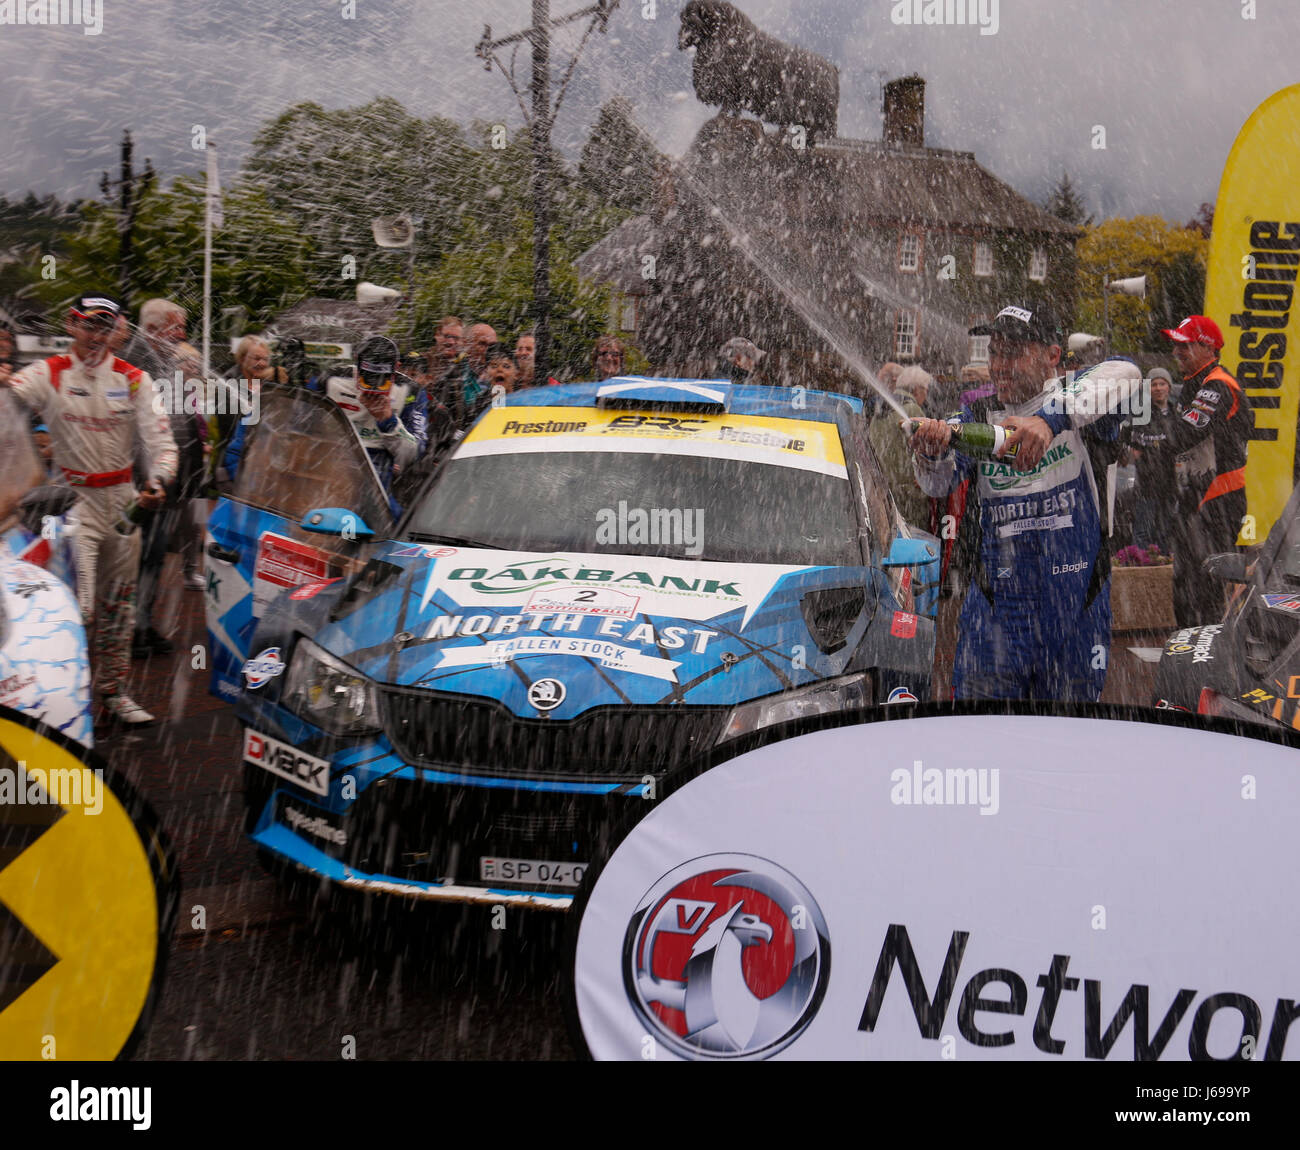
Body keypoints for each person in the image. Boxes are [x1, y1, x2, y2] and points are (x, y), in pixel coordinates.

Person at [909, 303, 1140, 702]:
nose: (1000, 365)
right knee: (982, 735)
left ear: (1052, 356)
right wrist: (930, 452)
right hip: (999, 610)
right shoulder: (977, 414)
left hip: (1075, 604)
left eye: (1014, 353)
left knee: (1066, 740)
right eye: (994, 352)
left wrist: (1050, 420)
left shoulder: (1077, 404)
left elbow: (1128, 372)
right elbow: (937, 483)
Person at [7, 294, 177, 726]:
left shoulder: (135, 378)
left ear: (118, 329)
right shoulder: (48, 372)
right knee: (75, 608)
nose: (97, 336)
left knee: (119, 605)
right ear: (72, 325)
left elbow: (163, 446)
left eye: (106, 327)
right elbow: (8, 404)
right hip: (70, 503)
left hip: (123, 500)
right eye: (89, 326)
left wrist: (158, 481)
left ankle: (113, 693)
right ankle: (66, 698)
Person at [1159, 315, 1253, 626]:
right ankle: (1186, 654)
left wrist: (1145, 435)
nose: (1176, 352)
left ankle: (1210, 660)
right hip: (1195, 500)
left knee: (1205, 588)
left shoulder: (1218, 384)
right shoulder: (1193, 384)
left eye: (1184, 345)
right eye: (1175, 345)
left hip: (1218, 501)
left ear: (1207, 348)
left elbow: (1181, 436)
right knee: (1185, 587)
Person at [319, 336, 428, 504]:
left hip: (378, 472)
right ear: (357, 363)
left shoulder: (410, 392)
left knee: (394, 521)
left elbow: (413, 453)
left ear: (396, 369)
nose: (373, 387)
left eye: (381, 378)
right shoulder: (329, 379)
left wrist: (388, 421)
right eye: (368, 376)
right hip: (331, 462)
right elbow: (298, 426)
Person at [1120, 367, 1178, 553]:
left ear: (1169, 387)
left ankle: (1164, 569)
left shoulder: (1178, 415)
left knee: (1166, 531)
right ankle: (1140, 569)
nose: (1158, 388)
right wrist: (1132, 453)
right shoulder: (1140, 414)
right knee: (1143, 531)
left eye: (1162, 383)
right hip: (1146, 485)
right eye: (1154, 384)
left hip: (1171, 485)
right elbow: (1124, 442)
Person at [869, 364, 930, 527]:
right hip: (908, 495)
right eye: (926, 389)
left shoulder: (880, 409)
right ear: (917, 389)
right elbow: (927, 452)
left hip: (883, 490)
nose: (926, 395)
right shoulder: (913, 410)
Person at [214, 335, 275, 487]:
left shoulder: (267, 384)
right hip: (233, 463)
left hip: (260, 461)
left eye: (265, 359)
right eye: (256, 358)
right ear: (242, 359)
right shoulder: (228, 385)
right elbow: (232, 427)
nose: (261, 363)